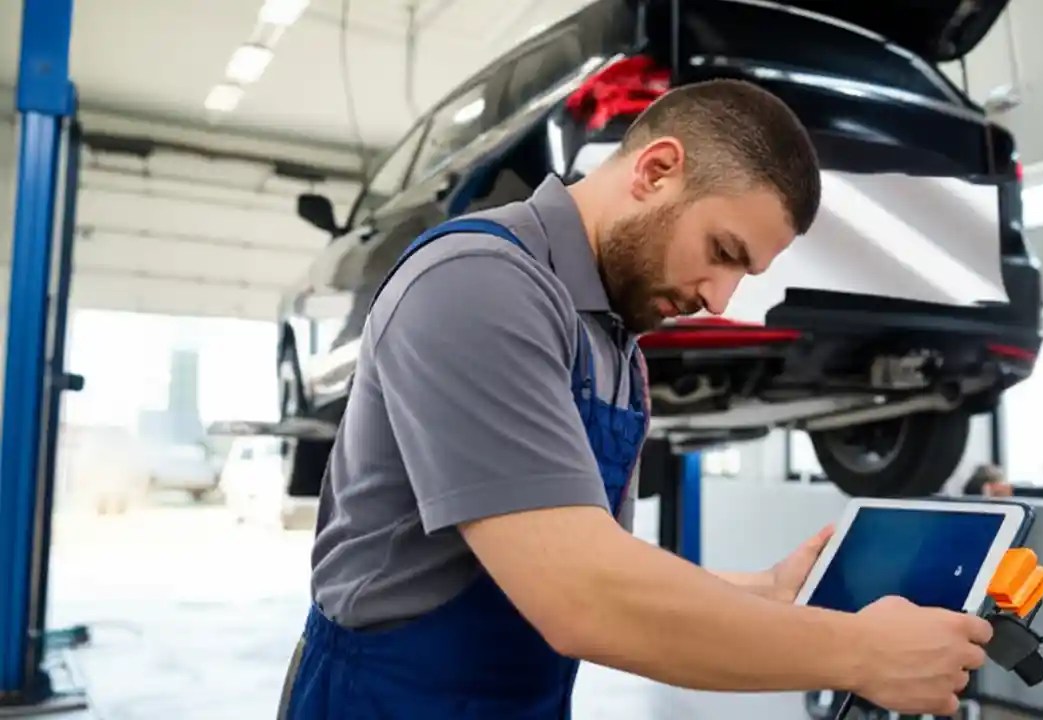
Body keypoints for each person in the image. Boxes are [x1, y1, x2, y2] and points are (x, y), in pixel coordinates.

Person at [277, 79, 992, 719]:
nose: (720, 300)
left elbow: (598, 556)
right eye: (723, 251)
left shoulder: (614, 346)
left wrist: (766, 591)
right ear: (656, 171)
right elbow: (585, 596)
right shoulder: (477, 284)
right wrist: (861, 654)